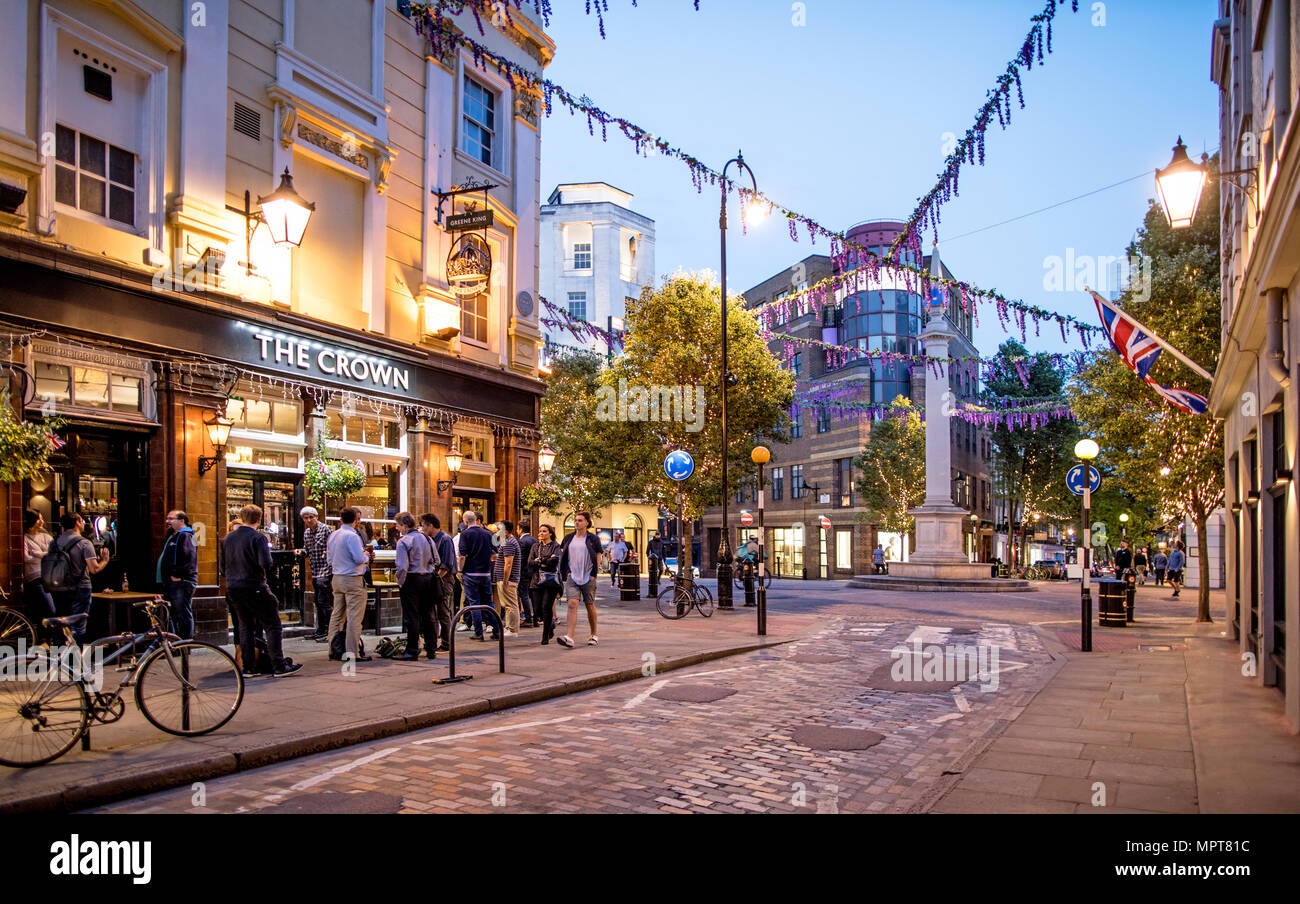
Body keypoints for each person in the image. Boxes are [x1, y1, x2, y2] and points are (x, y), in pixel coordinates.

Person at [222, 504, 302, 677]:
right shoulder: (258, 538)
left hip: (233, 587)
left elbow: (222, 567)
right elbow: (266, 563)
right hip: (254, 586)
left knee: (245, 626)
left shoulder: (227, 539)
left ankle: (248, 667)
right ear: (259, 519)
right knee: (273, 625)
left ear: (242, 517)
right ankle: (279, 665)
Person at [44, 513, 110, 645]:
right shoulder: (84, 543)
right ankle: (75, 656)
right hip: (80, 588)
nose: (84, 523)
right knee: (78, 625)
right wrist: (104, 561)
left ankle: (59, 654)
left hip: (58, 588)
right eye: (82, 521)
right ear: (77, 523)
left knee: (60, 624)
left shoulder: (54, 543)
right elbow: (94, 569)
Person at [326, 507, 372, 661]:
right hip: (352, 579)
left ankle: (333, 649)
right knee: (354, 617)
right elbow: (359, 559)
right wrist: (366, 556)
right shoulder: (352, 536)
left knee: (337, 615)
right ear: (355, 520)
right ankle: (352, 652)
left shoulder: (333, 535)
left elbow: (329, 560)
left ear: (341, 519)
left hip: (337, 577)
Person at [393, 512, 440, 660]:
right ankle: (431, 648)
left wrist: (400, 582)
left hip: (412, 579)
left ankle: (412, 650)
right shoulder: (427, 538)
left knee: (412, 616)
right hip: (428, 579)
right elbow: (437, 560)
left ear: (404, 525)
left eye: (398, 525)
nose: (397, 528)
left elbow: (402, 567)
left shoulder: (404, 541)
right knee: (428, 615)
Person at [557, 511, 603, 648]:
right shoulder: (568, 538)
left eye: (580, 520)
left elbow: (598, 556)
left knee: (589, 605)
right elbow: (563, 554)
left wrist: (594, 573)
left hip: (588, 576)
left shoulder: (593, 539)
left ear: (587, 523)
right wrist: (567, 571)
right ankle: (569, 637)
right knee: (572, 603)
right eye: (576, 520)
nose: (577, 522)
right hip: (573, 576)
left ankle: (594, 634)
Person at [457, 511, 499, 641]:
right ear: (476, 520)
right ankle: (497, 631)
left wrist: (461, 570)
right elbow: (495, 554)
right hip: (485, 573)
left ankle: (479, 632)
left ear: (465, 521)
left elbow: (462, 556)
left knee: (474, 603)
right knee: (488, 602)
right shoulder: (488, 534)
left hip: (470, 573)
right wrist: (486, 560)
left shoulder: (465, 534)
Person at [156, 510, 199, 639]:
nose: (167, 521)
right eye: (167, 518)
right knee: (172, 614)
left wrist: (178, 574)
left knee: (182, 614)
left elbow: (189, 558)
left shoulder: (186, 535)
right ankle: (175, 642)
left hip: (181, 582)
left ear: (182, 520)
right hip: (170, 582)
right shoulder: (173, 536)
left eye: (171, 519)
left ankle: (185, 644)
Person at [295, 506, 333, 642]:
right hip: (315, 570)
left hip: (326, 569)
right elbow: (307, 550)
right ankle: (321, 629)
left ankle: (329, 631)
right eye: (306, 518)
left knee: (323, 601)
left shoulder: (326, 529)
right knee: (317, 601)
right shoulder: (306, 533)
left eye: (311, 517)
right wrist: (301, 552)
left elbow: (334, 547)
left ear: (316, 517)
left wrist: (329, 553)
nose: (309, 520)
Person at [422, 513, 456, 650]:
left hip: (443, 579)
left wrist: (437, 579)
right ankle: (432, 642)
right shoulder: (430, 539)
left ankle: (447, 643)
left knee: (443, 611)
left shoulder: (445, 539)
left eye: (423, 526)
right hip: (434, 578)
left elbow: (446, 564)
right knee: (432, 612)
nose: (422, 529)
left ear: (430, 525)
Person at [23, 510, 55, 641]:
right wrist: (45, 555)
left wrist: (36, 553)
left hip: (50, 577)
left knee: (48, 610)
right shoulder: (24, 538)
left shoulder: (46, 537)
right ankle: (47, 638)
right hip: (35, 578)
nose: (42, 521)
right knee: (48, 609)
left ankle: (46, 639)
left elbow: (54, 554)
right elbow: (25, 558)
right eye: (38, 519)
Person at [528, 524, 562, 645]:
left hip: (550, 581)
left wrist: (540, 560)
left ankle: (545, 635)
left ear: (550, 533)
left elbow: (554, 561)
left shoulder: (555, 546)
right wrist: (544, 560)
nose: (541, 533)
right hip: (536, 580)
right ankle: (550, 624)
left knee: (546, 607)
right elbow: (530, 562)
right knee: (537, 609)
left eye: (544, 531)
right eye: (540, 531)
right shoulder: (535, 546)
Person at [493, 520, 522, 637]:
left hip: (508, 579)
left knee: (510, 605)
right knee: (508, 605)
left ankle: (512, 629)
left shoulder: (508, 543)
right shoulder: (509, 541)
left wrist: (505, 580)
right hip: (507, 578)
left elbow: (508, 564)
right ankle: (509, 627)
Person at [516, 521, 537, 627]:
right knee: (533, 595)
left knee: (523, 594)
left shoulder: (522, 541)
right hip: (533, 571)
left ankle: (528, 618)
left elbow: (521, 558)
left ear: (520, 529)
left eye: (517, 528)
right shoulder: (534, 540)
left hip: (524, 572)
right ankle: (536, 618)